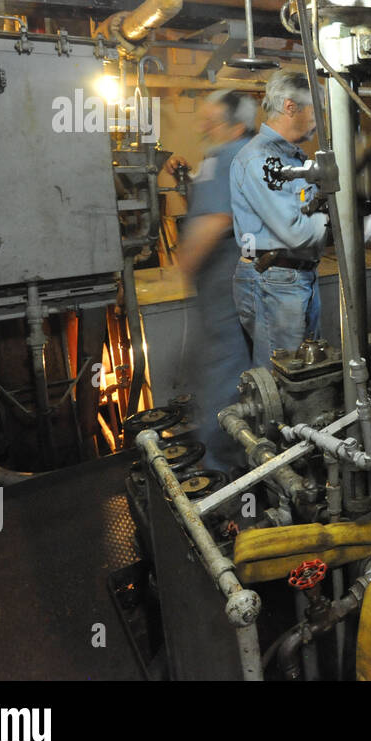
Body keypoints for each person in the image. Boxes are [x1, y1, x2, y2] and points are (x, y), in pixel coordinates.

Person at [163, 89, 256, 473]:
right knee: (256, 372)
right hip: (257, 288)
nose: (204, 127)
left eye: (211, 121)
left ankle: (223, 471)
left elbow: (215, 220)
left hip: (224, 290)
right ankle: (257, 461)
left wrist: (183, 266)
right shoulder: (259, 154)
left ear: (235, 125)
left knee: (224, 374)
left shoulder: (225, 157)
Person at [230, 69, 329, 368]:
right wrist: (338, 220)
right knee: (283, 378)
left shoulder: (291, 157)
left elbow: (308, 209)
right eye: (317, 109)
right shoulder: (260, 159)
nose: (320, 118)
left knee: (305, 372)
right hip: (275, 279)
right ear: (290, 107)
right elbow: (296, 232)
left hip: (295, 276)